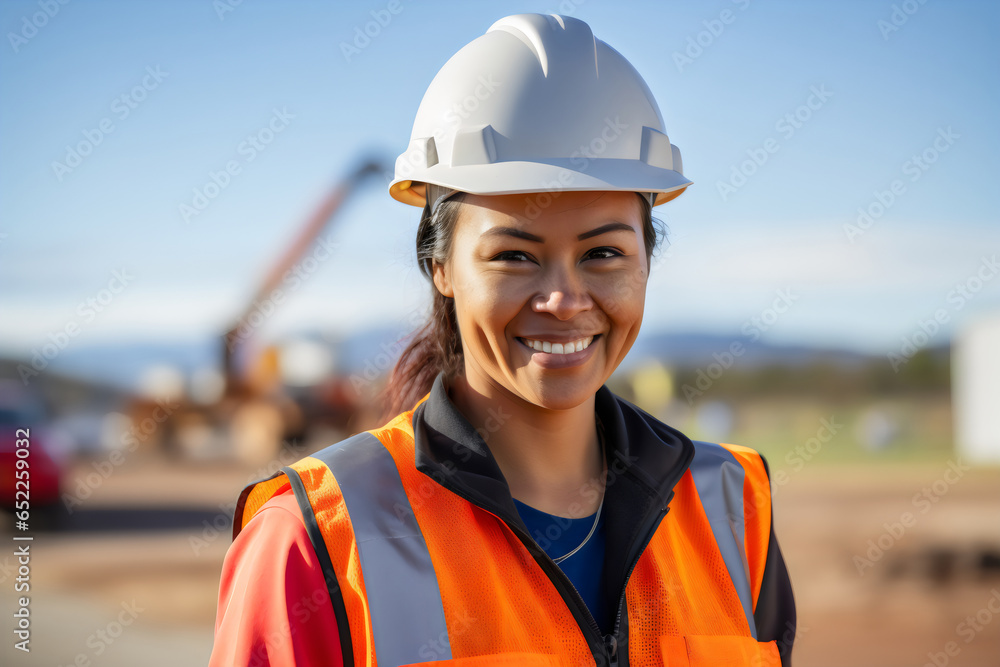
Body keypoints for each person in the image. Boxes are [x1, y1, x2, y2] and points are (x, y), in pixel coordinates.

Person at [209, 13, 795, 667]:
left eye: (603, 252)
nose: (566, 300)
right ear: (440, 266)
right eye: (515, 256)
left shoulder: (731, 506)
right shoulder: (313, 540)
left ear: (647, 262)